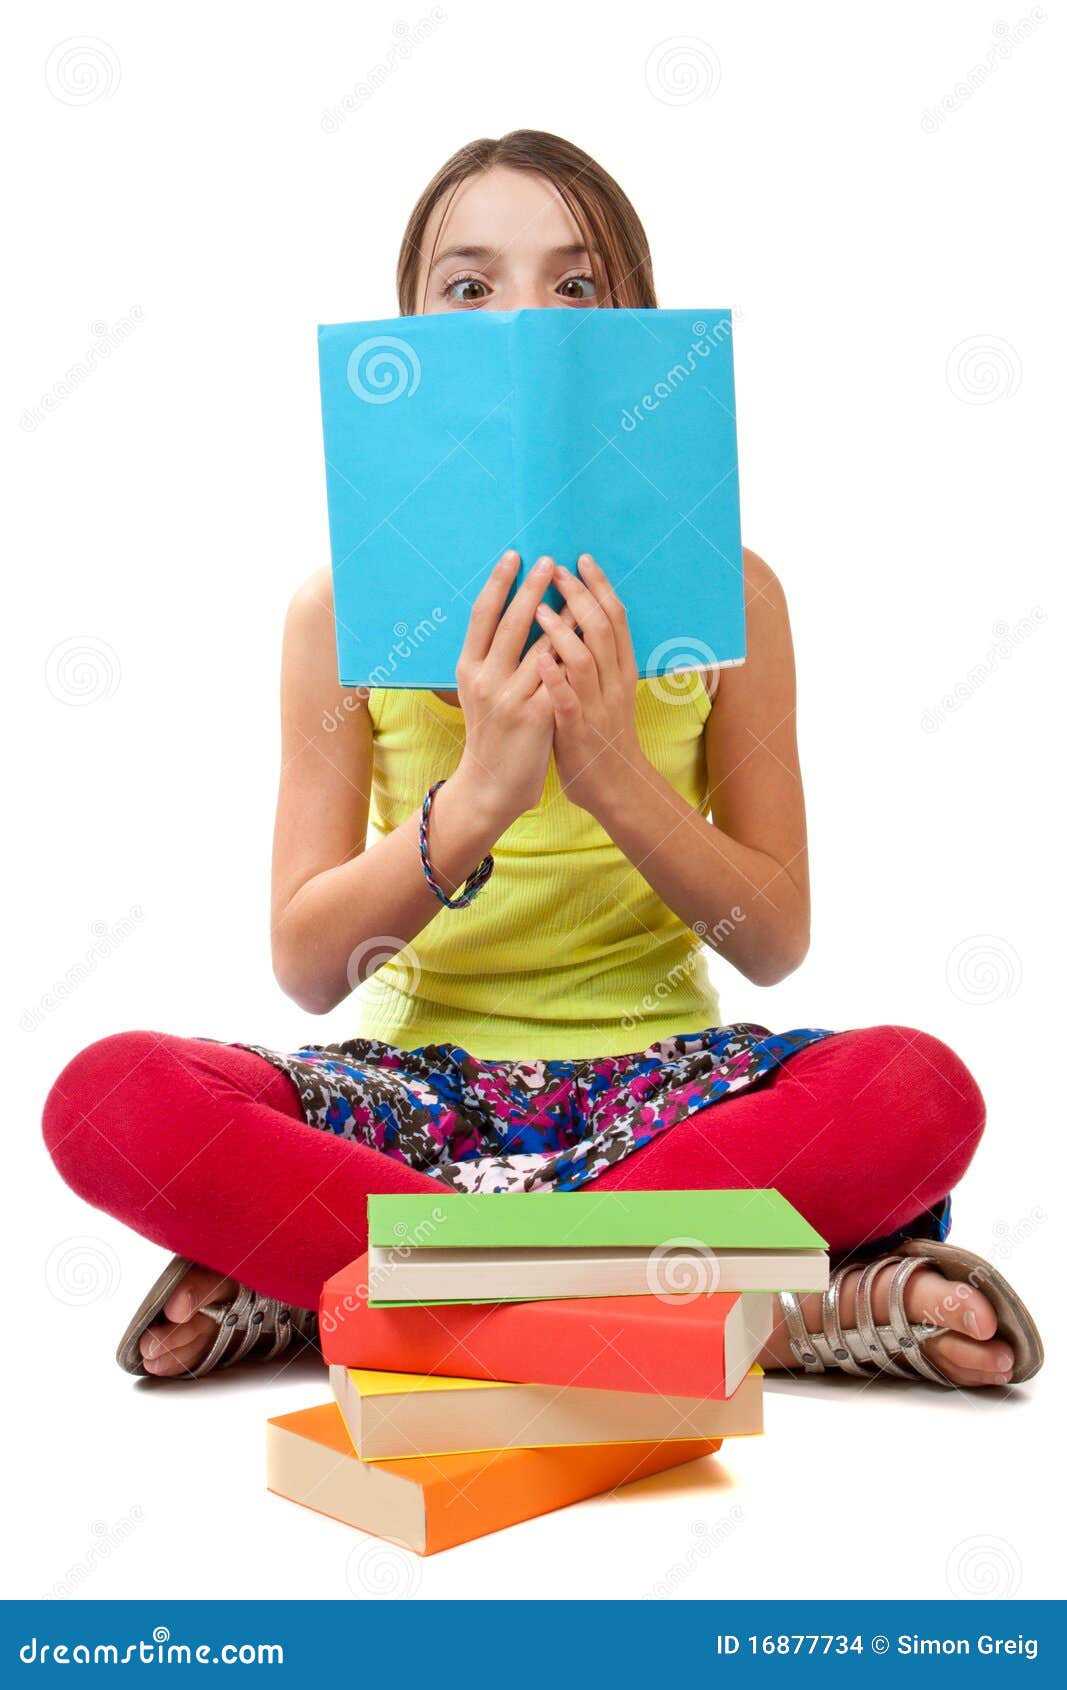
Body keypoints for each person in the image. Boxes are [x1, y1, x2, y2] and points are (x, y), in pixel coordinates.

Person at [43, 130, 1041, 1390]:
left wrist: (612, 767)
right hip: (412, 1114)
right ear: (404, 343)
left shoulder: (730, 595)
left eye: (574, 286)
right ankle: (752, 1311)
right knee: (106, 1097)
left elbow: (773, 936)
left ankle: (358, 1293)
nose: (522, 320)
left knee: (917, 1089)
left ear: (631, 328)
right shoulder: (338, 615)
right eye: (468, 288)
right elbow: (304, 965)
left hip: (662, 1104)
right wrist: (480, 799)